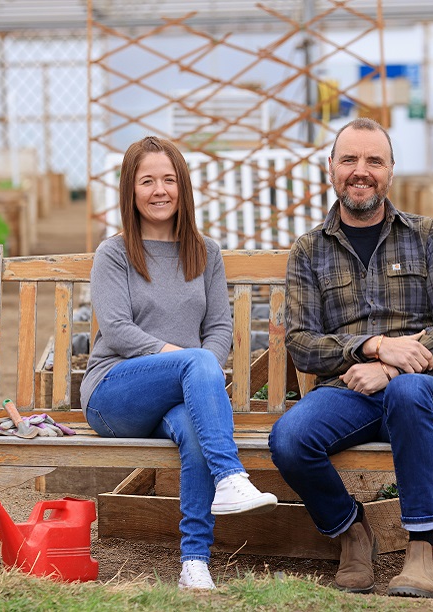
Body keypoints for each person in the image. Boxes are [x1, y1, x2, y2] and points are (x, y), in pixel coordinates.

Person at [269, 118, 433, 599]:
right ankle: (352, 531)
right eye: (350, 160)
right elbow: (300, 341)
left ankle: (422, 549)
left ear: (391, 172)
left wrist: (392, 367)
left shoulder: (425, 235)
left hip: (428, 394)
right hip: (351, 395)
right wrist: (370, 347)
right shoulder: (308, 251)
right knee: (290, 438)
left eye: (374, 161)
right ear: (332, 169)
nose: (361, 171)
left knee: (405, 391)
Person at [81, 136, 278, 591]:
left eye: (168, 179)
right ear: (130, 190)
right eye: (146, 180)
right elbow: (116, 330)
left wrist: (198, 363)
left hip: (178, 393)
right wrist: (187, 360)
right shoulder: (113, 253)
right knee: (198, 364)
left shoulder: (204, 251)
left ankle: (194, 563)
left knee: (193, 430)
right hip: (115, 394)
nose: (159, 190)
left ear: (183, 187)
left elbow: (220, 329)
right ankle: (230, 476)